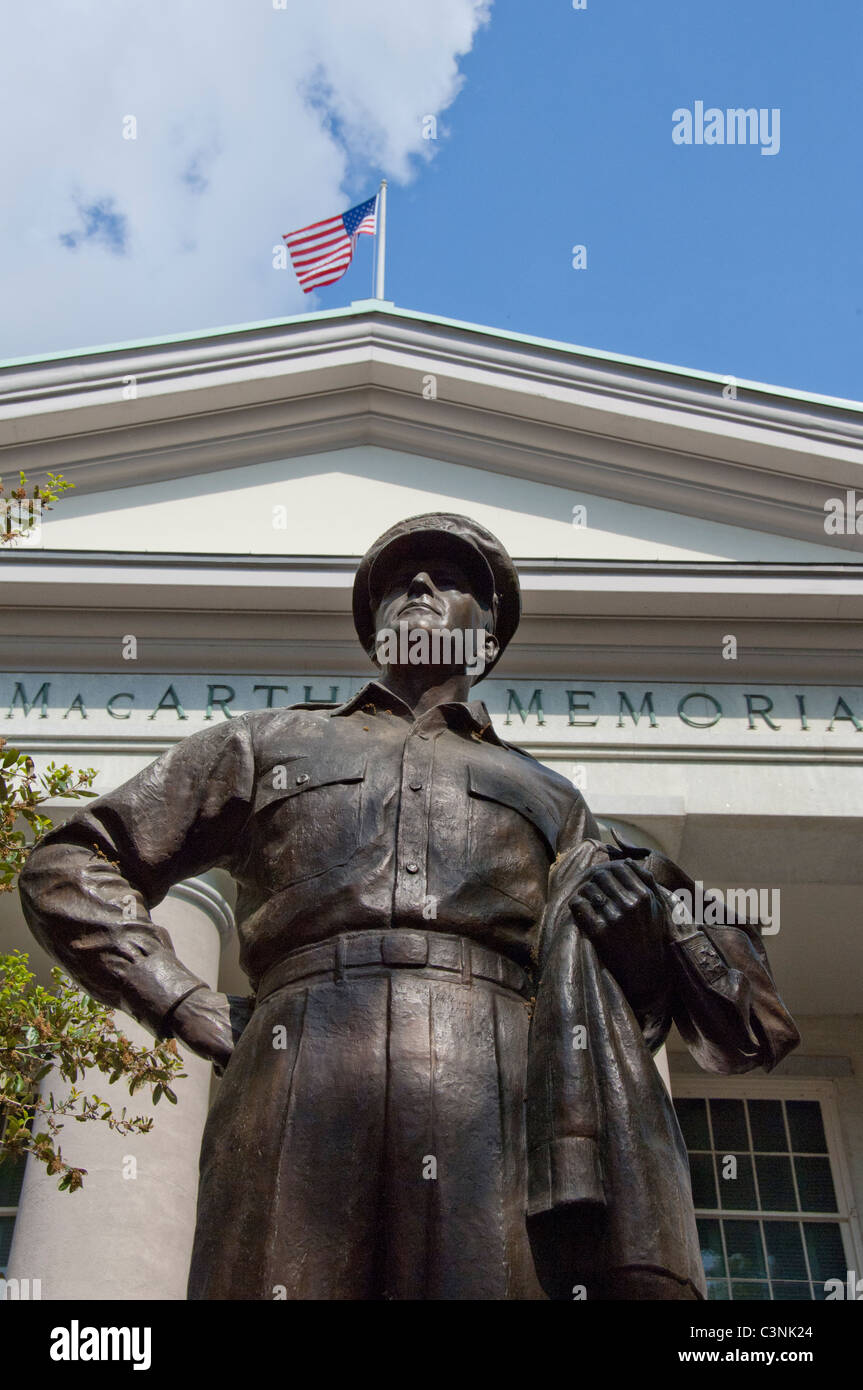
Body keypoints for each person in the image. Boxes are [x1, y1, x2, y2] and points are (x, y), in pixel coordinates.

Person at [18, 513, 798, 1299]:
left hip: (495, 1082)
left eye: (448, 578)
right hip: (299, 1064)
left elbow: (640, 1003)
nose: (417, 587)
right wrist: (179, 998)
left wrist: (634, 941)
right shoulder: (265, 743)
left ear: (486, 638)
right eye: (398, 580)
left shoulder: (553, 799)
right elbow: (70, 862)